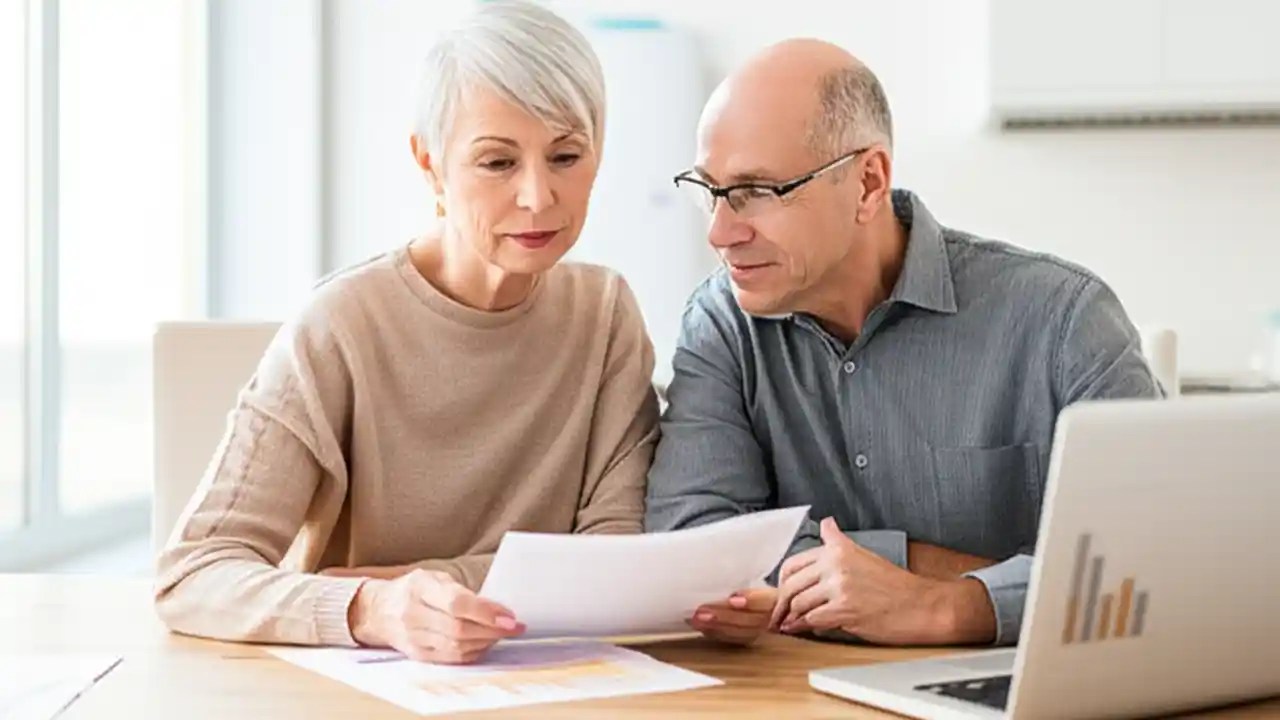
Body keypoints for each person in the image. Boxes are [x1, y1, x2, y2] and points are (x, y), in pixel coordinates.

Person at [155, 0, 662, 665]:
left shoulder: (605, 314)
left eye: (565, 155)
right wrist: (373, 608)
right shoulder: (340, 326)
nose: (538, 197)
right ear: (430, 164)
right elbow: (193, 574)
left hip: (553, 688)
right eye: (497, 163)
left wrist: (435, 582)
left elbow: (613, 564)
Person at [645, 38, 1162, 648]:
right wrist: (921, 566)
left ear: (868, 182)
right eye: (711, 190)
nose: (720, 232)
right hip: (801, 696)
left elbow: (1151, 558)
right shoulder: (723, 325)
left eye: (757, 191)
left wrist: (949, 608)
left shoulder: (1062, 319)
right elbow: (694, 541)